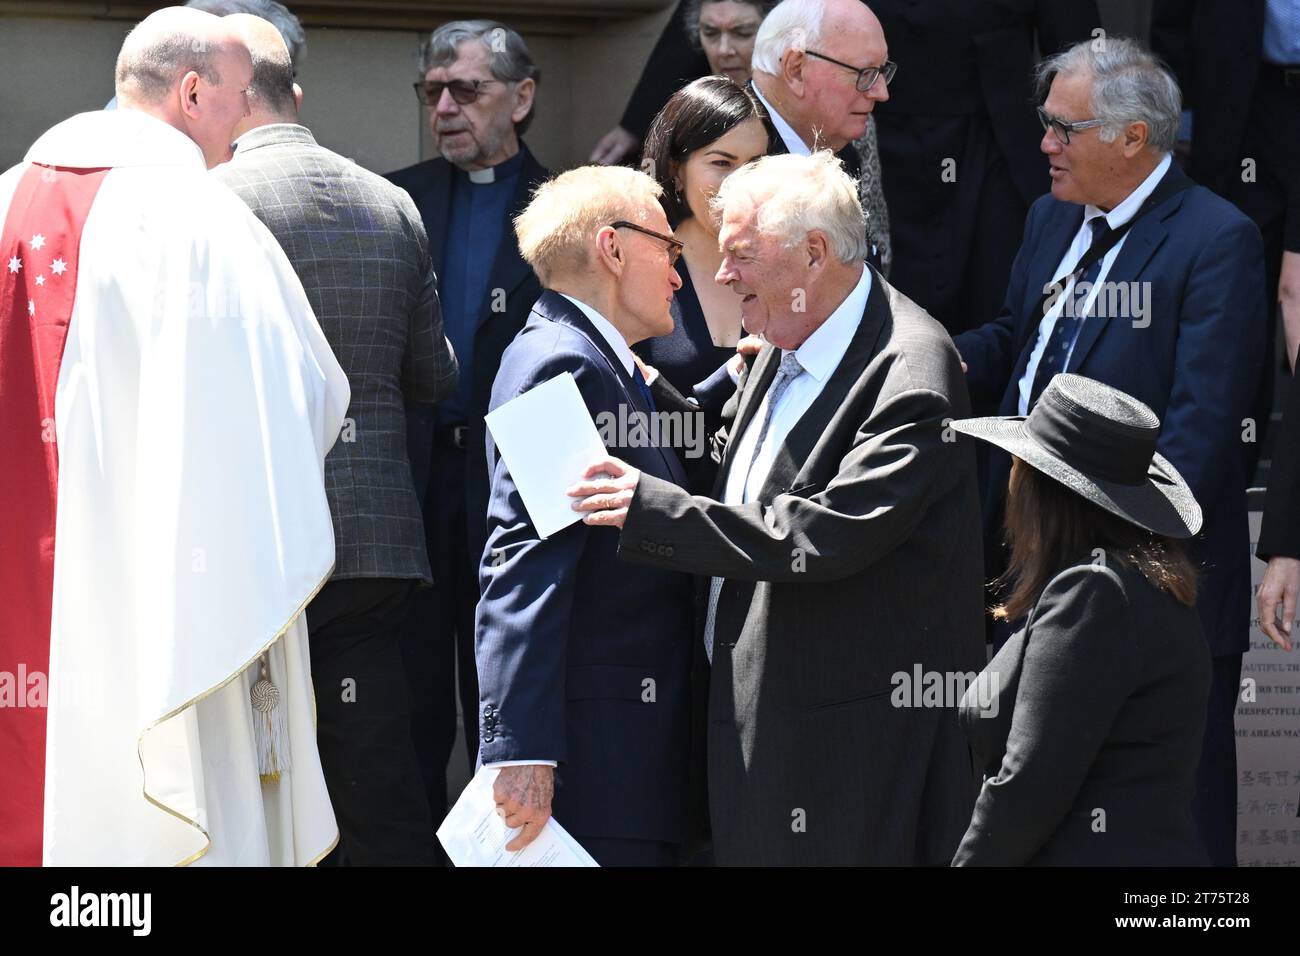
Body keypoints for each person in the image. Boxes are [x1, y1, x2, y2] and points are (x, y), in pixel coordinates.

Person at [0, 6, 347, 866]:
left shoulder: (4, 195)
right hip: (163, 601)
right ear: (192, 93)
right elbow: (303, 399)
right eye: (239, 103)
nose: (245, 128)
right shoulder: (201, 221)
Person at [569, 151, 985, 865]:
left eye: (742, 257)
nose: (723, 277)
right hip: (761, 723)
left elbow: (825, 532)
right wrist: (642, 395)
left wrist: (653, 510)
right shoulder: (790, 329)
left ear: (814, 253)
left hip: (846, 752)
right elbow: (750, 464)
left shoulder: (912, 369)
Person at [953, 37, 1267, 867]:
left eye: (1065, 128)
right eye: (1045, 125)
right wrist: (928, 358)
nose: (1045, 144)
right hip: (1026, 556)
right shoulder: (1049, 215)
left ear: (1134, 138)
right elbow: (1022, 344)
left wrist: (1111, 567)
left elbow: (1199, 432)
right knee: (1038, 795)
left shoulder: (1216, 239)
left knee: (1170, 822)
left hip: (1151, 581)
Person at [213, 14, 458, 865]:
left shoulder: (211, 204)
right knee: (376, 782)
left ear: (230, 97)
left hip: (259, 547)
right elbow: (436, 377)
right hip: (376, 545)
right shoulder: (392, 200)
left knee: (256, 792)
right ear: (296, 97)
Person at [475, 165, 695, 867]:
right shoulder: (558, 363)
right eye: (671, 249)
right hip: (598, 771)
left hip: (632, 762)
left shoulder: (596, 357)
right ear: (614, 247)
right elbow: (525, 555)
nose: (680, 277)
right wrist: (523, 749)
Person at [383, 20, 551, 826]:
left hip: (515, 482)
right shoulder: (395, 200)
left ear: (520, 97)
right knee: (410, 694)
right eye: (432, 93)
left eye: (466, 91)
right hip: (415, 481)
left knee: (504, 689)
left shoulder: (567, 207)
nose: (445, 108)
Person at [949, 374, 1210, 866]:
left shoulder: (1094, 594)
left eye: (1015, 463)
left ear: (1038, 487)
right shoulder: (1144, 583)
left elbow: (1027, 784)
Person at [594, 0, 892, 271]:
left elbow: (874, 255)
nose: (881, 92)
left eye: (741, 32)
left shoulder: (850, 130)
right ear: (795, 67)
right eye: (863, 74)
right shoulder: (705, 133)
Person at [634, 76, 768, 443]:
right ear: (676, 169)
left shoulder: (787, 271)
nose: (740, 182)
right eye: (722, 163)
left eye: (755, 164)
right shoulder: (634, 269)